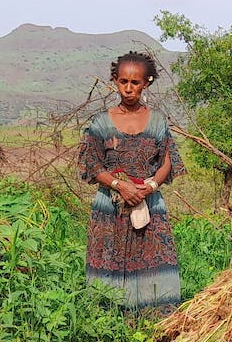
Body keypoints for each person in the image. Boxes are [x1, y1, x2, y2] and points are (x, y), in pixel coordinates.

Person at [78, 51, 185, 313]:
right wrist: (119, 185)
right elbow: (91, 163)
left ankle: (155, 320)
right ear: (115, 81)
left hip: (150, 204)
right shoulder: (101, 123)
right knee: (110, 259)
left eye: (134, 83)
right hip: (110, 207)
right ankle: (108, 323)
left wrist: (150, 186)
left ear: (145, 83)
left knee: (153, 258)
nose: (128, 88)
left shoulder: (158, 120)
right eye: (123, 81)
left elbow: (167, 159)